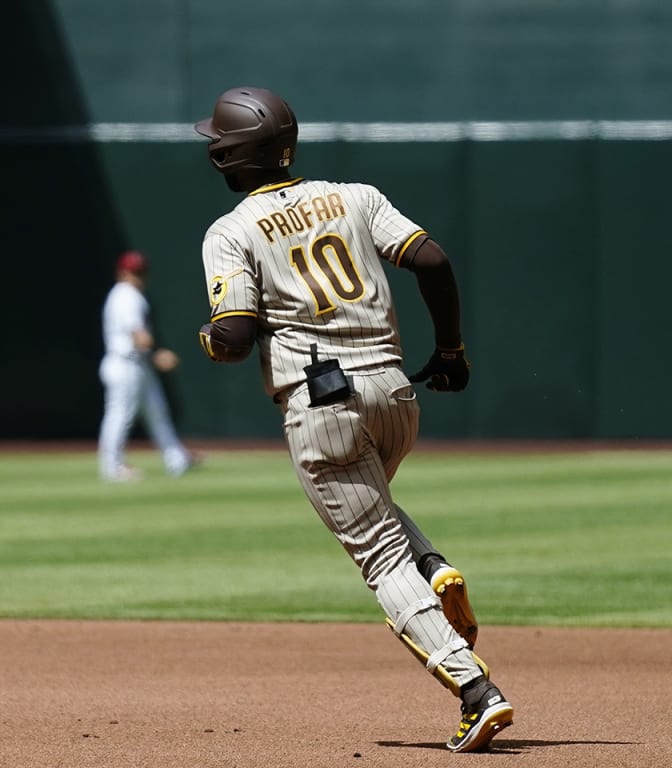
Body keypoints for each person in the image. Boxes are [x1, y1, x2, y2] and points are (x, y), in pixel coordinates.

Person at [192, 86, 512, 752]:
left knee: (377, 559)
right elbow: (432, 259)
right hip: (396, 393)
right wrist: (450, 348)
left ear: (227, 157)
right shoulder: (357, 196)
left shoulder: (230, 231)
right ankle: (435, 566)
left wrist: (210, 339)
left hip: (321, 403)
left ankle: (476, 691)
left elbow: (236, 332)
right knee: (376, 509)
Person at [97, 249, 196, 481]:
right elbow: (138, 335)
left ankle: (176, 458)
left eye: (141, 272)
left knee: (157, 412)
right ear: (122, 272)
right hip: (125, 364)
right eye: (134, 271)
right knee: (120, 415)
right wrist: (156, 355)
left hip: (136, 363)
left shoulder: (124, 294)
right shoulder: (126, 295)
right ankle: (112, 466)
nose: (138, 276)